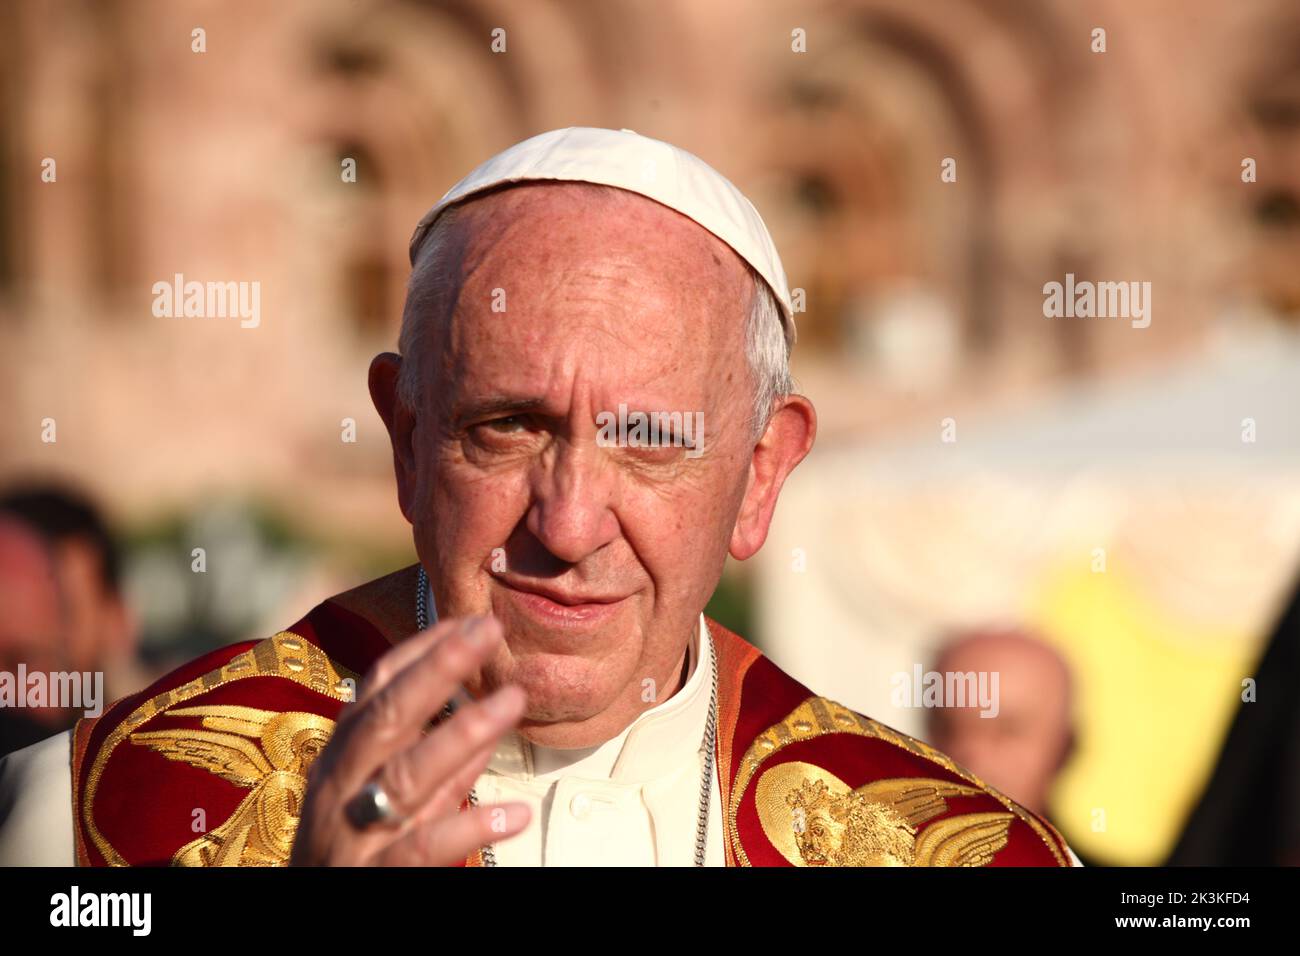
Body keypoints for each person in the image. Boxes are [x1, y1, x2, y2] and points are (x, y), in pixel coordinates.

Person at [0, 127, 1080, 867]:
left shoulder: (968, 848)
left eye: (650, 440)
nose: (566, 525)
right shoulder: (92, 813)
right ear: (408, 440)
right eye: (505, 427)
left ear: (760, 476)